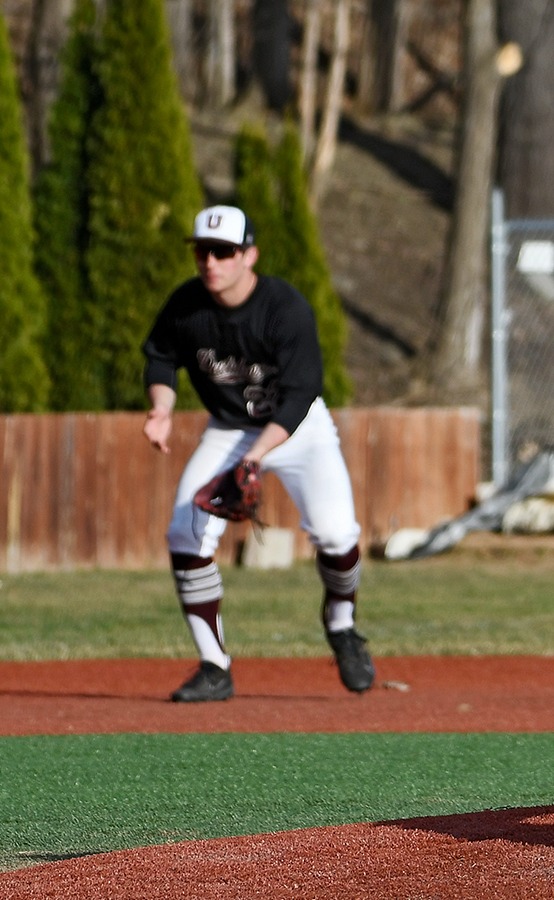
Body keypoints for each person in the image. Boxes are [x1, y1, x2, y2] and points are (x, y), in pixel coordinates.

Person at [141, 205, 374, 702]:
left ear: (249, 255)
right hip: (229, 430)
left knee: (336, 534)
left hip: (298, 428)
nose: (211, 262)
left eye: (224, 251)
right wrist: (161, 409)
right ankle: (214, 665)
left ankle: (341, 623)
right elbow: (160, 357)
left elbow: (300, 392)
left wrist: (257, 456)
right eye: (203, 251)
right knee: (185, 533)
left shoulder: (283, 307)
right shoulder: (187, 306)